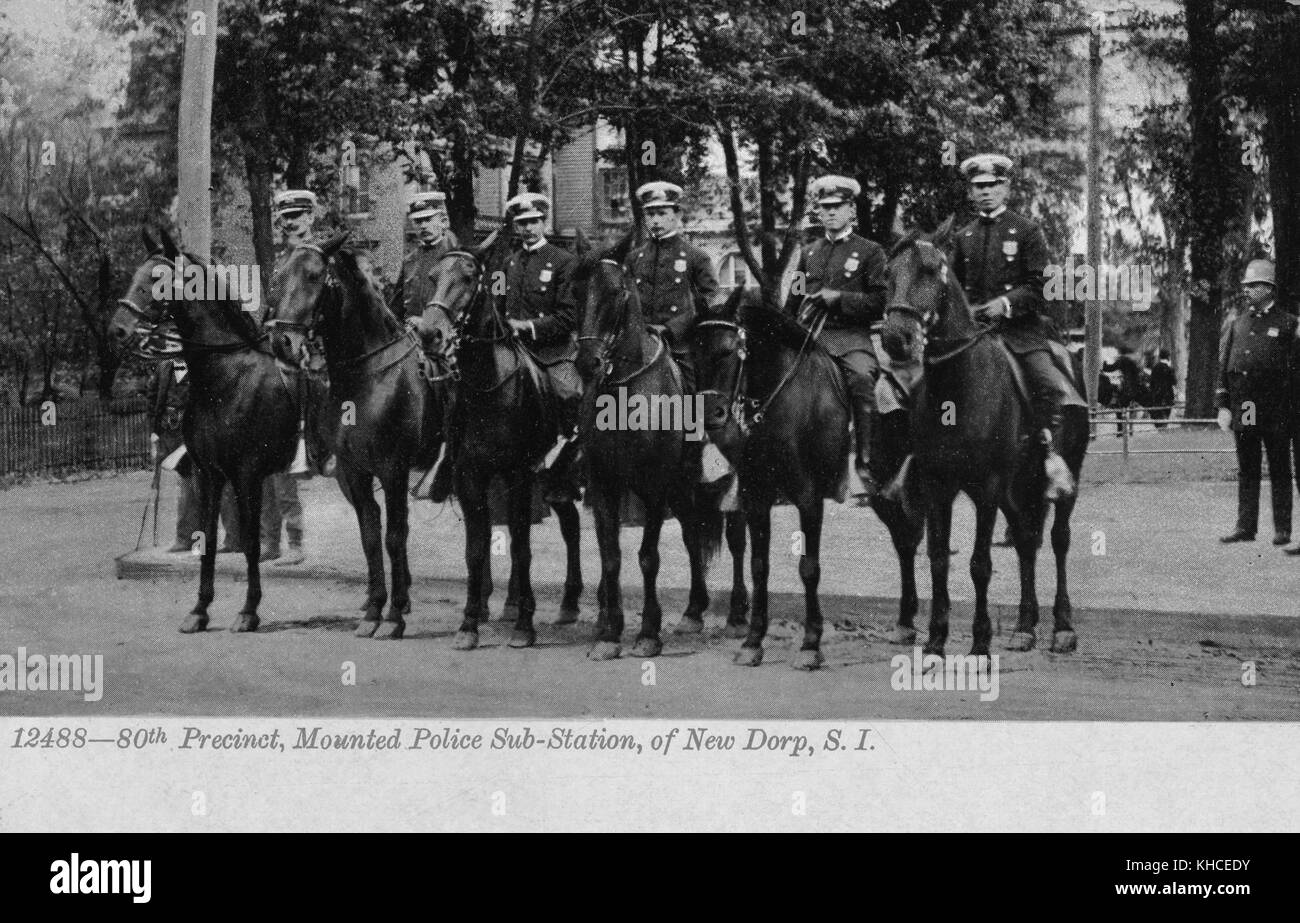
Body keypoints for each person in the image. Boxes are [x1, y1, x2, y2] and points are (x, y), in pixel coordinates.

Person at [951, 152, 1074, 499]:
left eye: (992, 185)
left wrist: (1004, 305)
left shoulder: (1027, 231)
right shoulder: (963, 237)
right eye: (978, 187)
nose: (985, 192)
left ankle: (1052, 460)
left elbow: (1038, 287)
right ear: (970, 193)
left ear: (1006, 188)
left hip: (1019, 333)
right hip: (973, 336)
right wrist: (967, 312)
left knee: (1049, 385)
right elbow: (953, 289)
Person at [784, 174, 888, 498]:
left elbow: (879, 301)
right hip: (809, 339)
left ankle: (864, 463)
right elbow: (793, 300)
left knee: (860, 380)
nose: (829, 213)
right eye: (824, 207)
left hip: (850, 339)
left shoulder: (870, 252)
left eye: (837, 207)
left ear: (851, 211)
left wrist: (839, 298)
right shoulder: (809, 252)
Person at [499, 193, 582, 503]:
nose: (528, 228)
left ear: (543, 222)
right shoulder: (508, 263)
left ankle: (570, 463)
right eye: (521, 223)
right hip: (512, 348)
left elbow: (568, 316)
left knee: (568, 393)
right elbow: (497, 305)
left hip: (551, 351)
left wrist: (529, 327)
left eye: (533, 222)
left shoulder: (564, 262)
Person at [1218, 258, 1295, 546]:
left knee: (1279, 467)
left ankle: (1282, 529)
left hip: (1277, 409)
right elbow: (1225, 366)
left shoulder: (1288, 324)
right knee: (1247, 466)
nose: (1247, 290)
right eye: (1247, 286)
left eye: (1253, 285)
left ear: (1268, 288)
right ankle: (1245, 526)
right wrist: (1224, 405)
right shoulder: (1238, 324)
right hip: (1246, 408)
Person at [626, 181, 717, 394]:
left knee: (693, 390)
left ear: (676, 216)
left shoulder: (696, 257)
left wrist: (671, 328)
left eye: (662, 213)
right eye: (650, 214)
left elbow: (709, 299)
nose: (655, 220)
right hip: (638, 343)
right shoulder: (634, 258)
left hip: (678, 344)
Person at [146, 356, 199, 553]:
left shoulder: (202, 364)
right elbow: (152, 400)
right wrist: (154, 431)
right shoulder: (163, 368)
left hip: (196, 432)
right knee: (186, 481)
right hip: (172, 433)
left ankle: (191, 539)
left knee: (194, 484)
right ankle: (187, 538)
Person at [1148, 348, 1176, 428]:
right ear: (1168, 357)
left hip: (1157, 396)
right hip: (1167, 396)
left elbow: (1152, 383)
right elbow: (1174, 382)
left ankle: (1160, 428)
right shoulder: (1169, 369)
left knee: (1158, 414)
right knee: (1166, 415)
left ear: (1160, 357)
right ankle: (1164, 428)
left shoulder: (1155, 368)